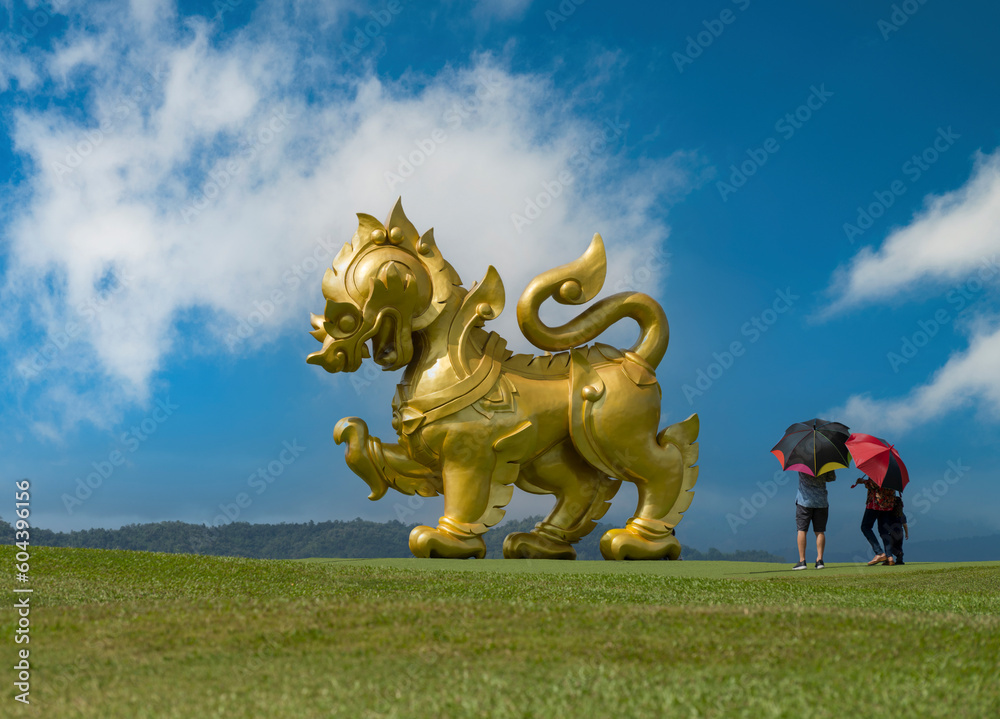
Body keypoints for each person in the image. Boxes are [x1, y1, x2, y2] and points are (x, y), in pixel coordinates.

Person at [793, 470, 836, 570]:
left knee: (802, 530)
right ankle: (820, 560)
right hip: (821, 501)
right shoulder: (825, 464)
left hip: (804, 501)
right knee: (820, 531)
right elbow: (831, 478)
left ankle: (802, 561)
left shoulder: (802, 463)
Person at [852, 476, 898, 565]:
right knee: (884, 530)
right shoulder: (892, 474)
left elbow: (874, 484)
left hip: (876, 503)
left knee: (865, 527)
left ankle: (879, 552)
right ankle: (889, 556)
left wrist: (863, 481)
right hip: (888, 504)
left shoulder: (879, 472)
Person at [886, 494, 908, 565]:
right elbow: (905, 525)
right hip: (900, 532)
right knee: (899, 546)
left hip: (893, 532)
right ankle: (899, 560)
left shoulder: (890, 513)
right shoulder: (901, 514)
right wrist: (906, 534)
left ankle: (898, 554)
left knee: (889, 547)